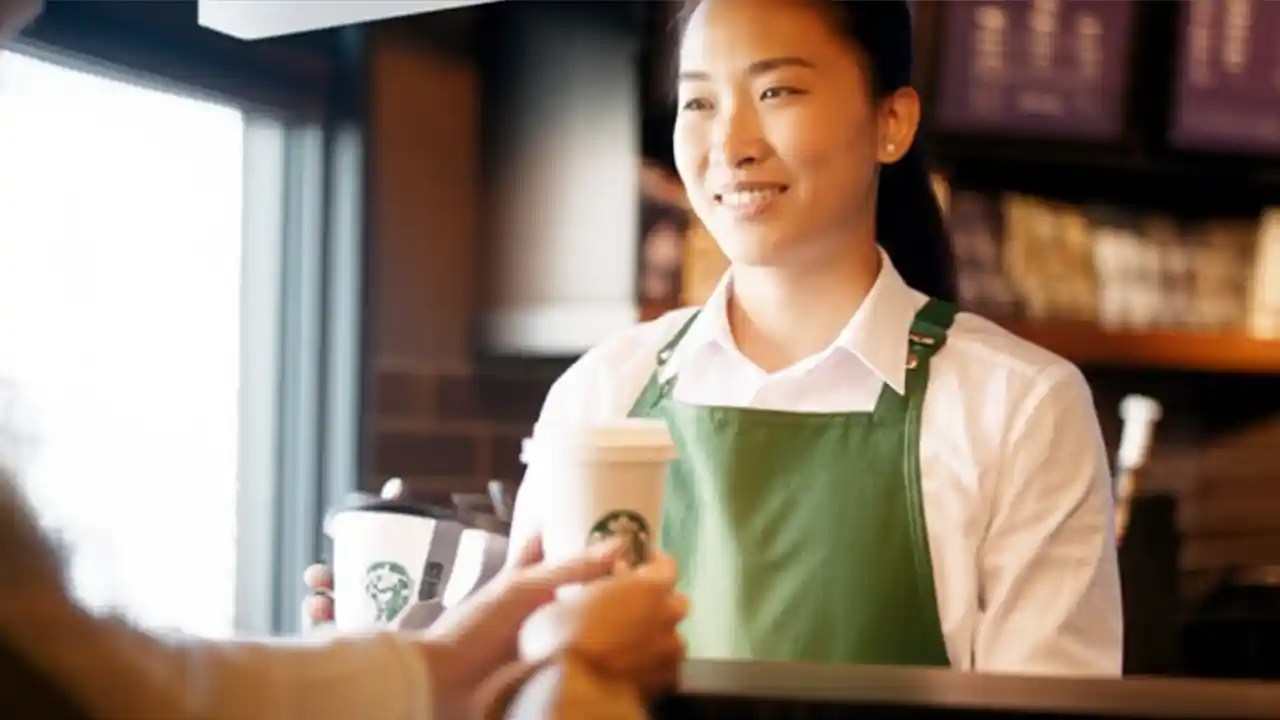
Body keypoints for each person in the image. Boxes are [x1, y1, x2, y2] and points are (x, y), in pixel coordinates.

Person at [0, 1, 686, 717]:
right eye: (695, 100)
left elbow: (132, 679)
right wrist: (557, 672)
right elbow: (105, 688)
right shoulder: (604, 381)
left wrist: (453, 656)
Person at [505, 0, 1123, 677]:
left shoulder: (1019, 408)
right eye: (699, 102)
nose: (731, 145)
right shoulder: (600, 392)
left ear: (892, 122)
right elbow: (523, 682)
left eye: (777, 92)